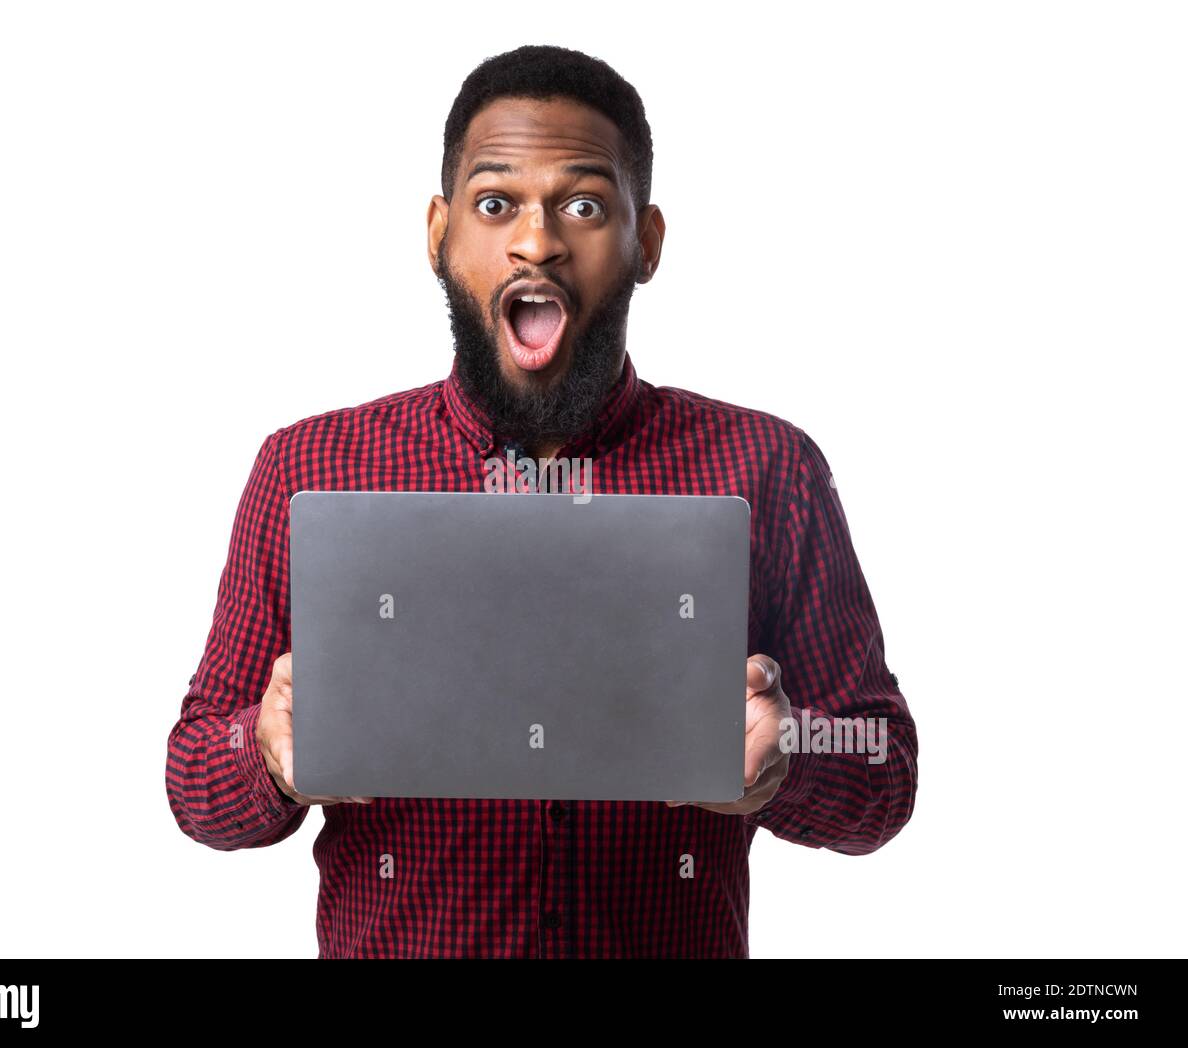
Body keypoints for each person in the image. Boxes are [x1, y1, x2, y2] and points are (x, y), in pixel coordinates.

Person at [165, 43, 918, 959]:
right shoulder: (307, 466)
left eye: (585, 205)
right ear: (439, 233)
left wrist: (791, 753)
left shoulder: (768, 466)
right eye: (496, 204)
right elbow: (194, 772)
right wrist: (267, 751)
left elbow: (883, 765)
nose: (537, 240)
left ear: (646, 243)